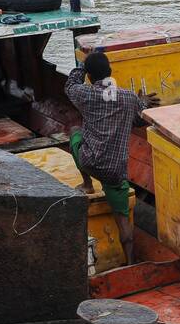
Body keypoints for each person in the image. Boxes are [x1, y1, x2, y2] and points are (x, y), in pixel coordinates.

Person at [64, 51, 157, 266]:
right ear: (110, 72)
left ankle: (87, 184)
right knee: (123, 223)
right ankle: (130, 262)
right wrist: (141, 101)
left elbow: (70, 85)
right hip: (115, 171)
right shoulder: (128, 98)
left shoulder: (85, 95)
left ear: (89, 76)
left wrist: (82, 65)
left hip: (89, 160)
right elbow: (138, 120)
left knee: (76, 131)